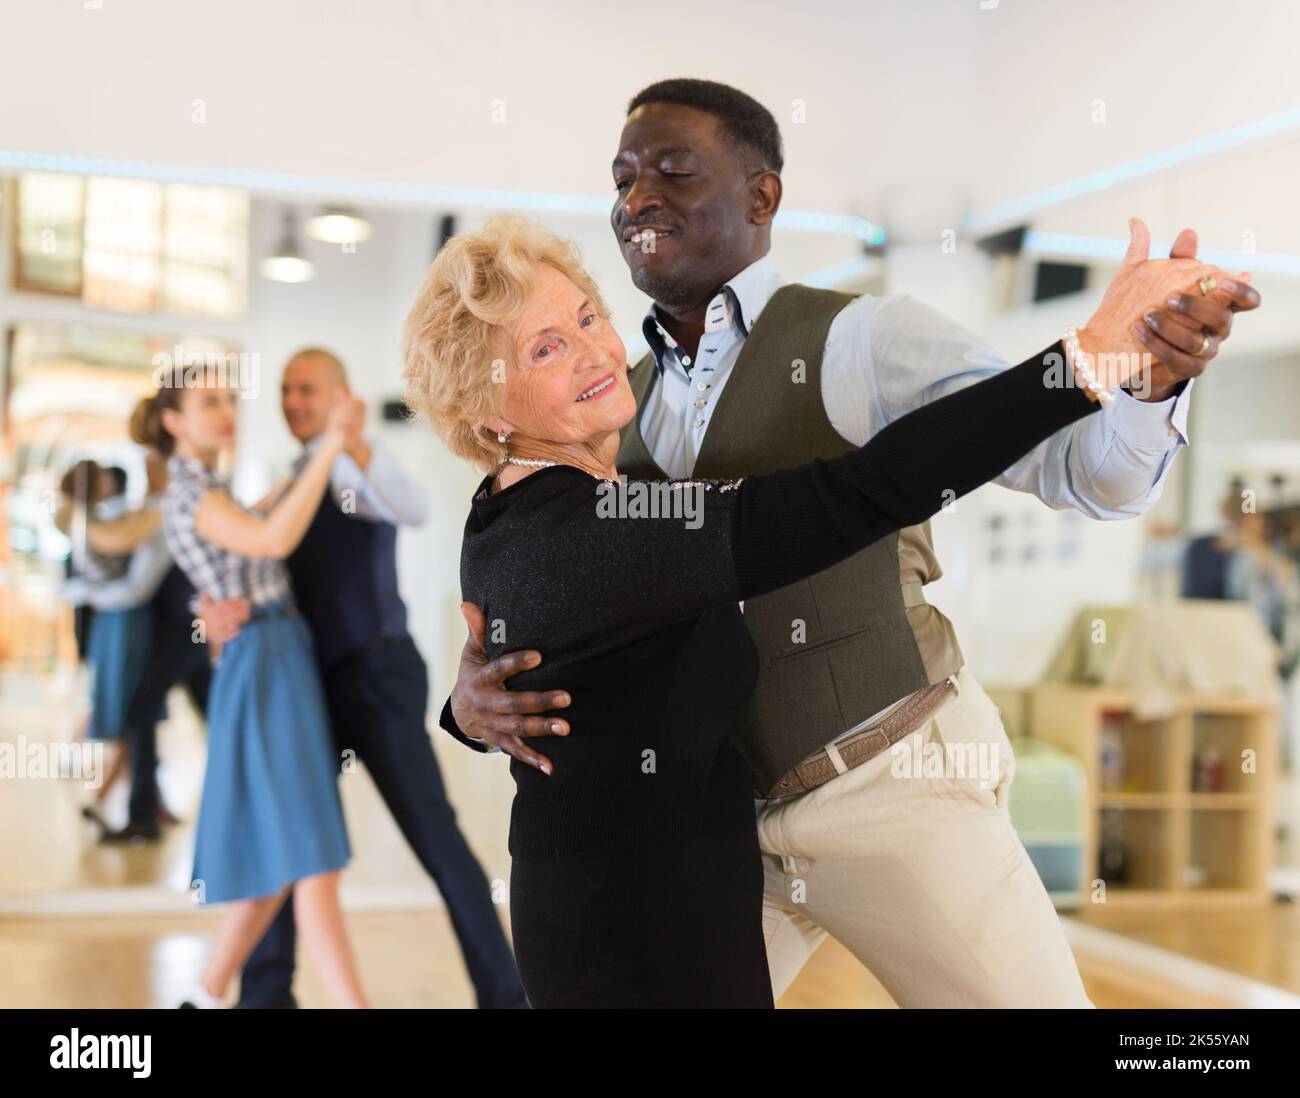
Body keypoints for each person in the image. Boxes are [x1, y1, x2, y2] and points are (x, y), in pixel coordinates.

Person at [439, 79, 1264, 1008]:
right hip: (727, 831)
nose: (639, 199)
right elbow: (571, 599)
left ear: (763, 195)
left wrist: (1134, 373)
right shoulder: (608, 404)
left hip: (891, 786)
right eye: (623, 179)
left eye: (673, 170)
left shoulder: (864, 336)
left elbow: (1085, 472)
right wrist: (470, 700)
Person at [221, 348, 526, 1009]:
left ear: (340, 395)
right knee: (288, 836)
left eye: (306, 388)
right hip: (313, 689)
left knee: (435, 838)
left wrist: (353, 449)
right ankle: (264, 995)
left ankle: (505, 997)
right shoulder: (293, 476)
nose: (292, 400)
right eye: (284, 388)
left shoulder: (362, 463)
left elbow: (413, 508)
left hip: (377, 678)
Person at [133, 372, 369, 1009]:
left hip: (275, 655)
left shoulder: (210, 489)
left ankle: (206, 994)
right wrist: (328, 446)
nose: (226, 411)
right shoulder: (188, 495)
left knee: (288, 857)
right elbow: (271, 538)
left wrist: (316, 456)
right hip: (264, 662)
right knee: (312, 857)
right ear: (173, 420)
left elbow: (259, 521)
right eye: (208, 402)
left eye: (230, 399)